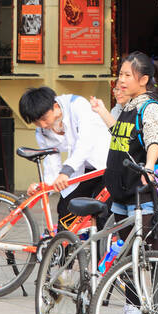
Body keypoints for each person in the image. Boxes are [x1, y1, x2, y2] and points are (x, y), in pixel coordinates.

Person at [88, 52, 158, 314]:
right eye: (120, 75)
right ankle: (133, 312)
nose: (121, 80)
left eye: (127, 75)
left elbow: (154, 138)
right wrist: (103, 111)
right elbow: (123, 136)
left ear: (143, 80)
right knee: (127, 253)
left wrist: (150, 168)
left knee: (154, 254)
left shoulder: (150, 107)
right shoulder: (126, 107)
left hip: (142, 195)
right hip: (122, 192)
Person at [18, 85, 110, 225]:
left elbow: (85, 142)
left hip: (106, 165)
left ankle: (99, 246)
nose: (42, 125)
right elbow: (51, 162)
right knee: (66, 209)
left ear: (55, 107)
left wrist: (66, 171)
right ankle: (64, 246)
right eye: (36, 122)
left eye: (44, 118)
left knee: (102, 211)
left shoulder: (77, 105)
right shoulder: (42, 131)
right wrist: (45, 188)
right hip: (82, 170)